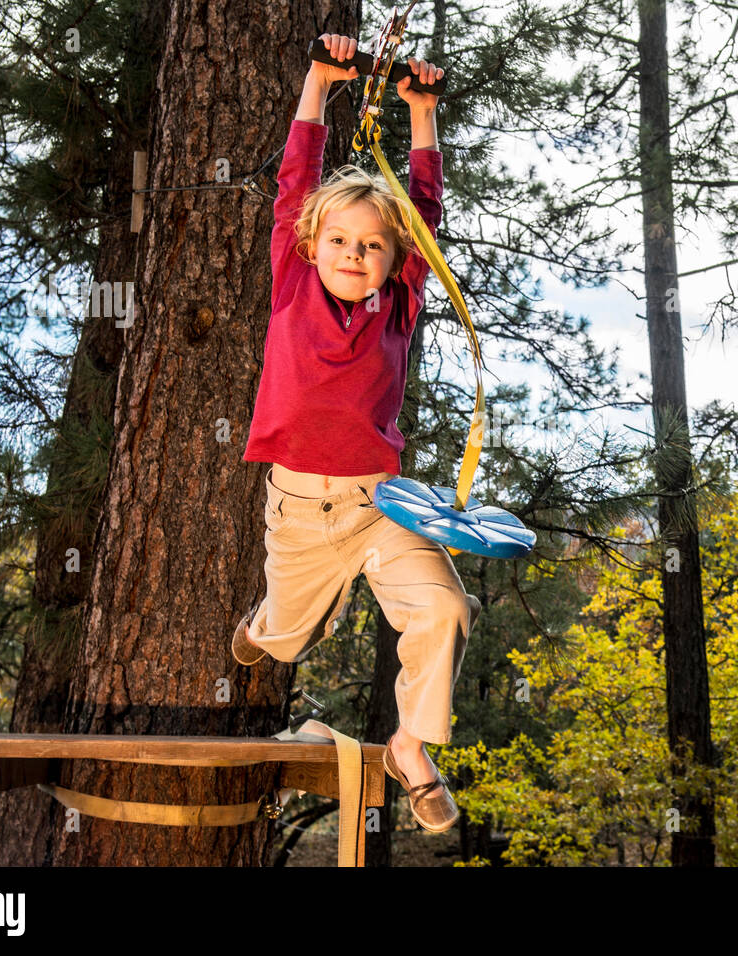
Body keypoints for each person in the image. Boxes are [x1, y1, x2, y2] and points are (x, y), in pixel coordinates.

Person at [233, 33, 480, 834]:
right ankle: (265, 624)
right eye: (339, 239)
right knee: (285, 640)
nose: (354, 252)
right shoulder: (294, 278)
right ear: (309, 243)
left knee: (445, 609)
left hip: (383, 506)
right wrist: (316, 81)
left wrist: (421, 114)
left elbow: (425, 214)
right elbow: (296, 179)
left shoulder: (400, 301)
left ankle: (410, 748)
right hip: (301, 510)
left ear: (392, 258)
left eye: (372, 245)